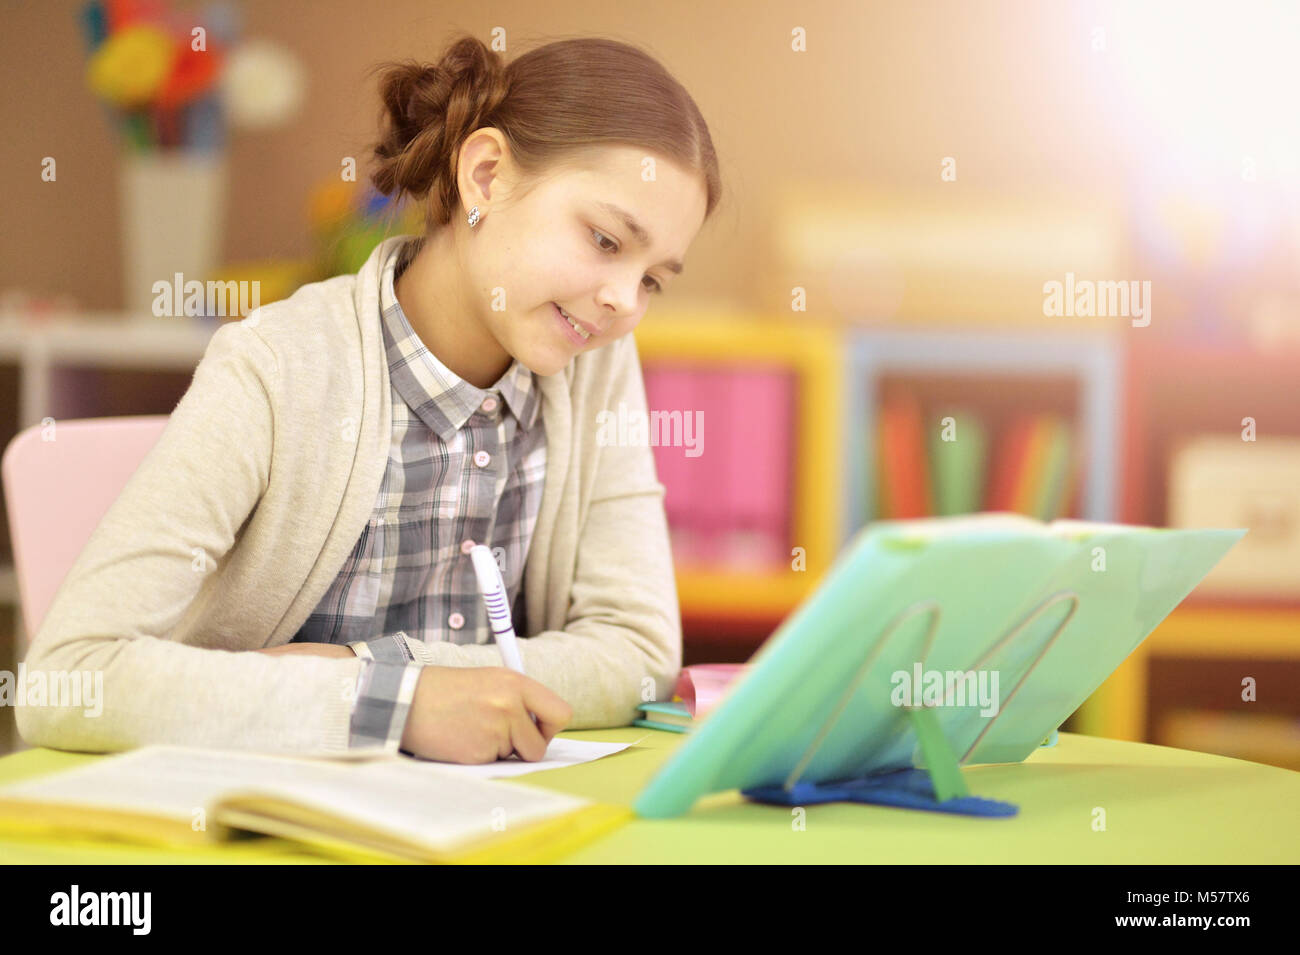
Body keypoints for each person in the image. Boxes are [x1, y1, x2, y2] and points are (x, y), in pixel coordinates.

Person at [17, 33, 722, 764]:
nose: (622, 302)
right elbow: (67, 677)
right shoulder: (276, 366)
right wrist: (395, 706)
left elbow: (638, 653)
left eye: (652, 279)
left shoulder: (592, 365)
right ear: (485, 176)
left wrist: (382, 670)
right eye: (607, 241)